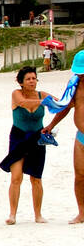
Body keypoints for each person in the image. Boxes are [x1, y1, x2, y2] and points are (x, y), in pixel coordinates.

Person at [0, 67, 50, 224]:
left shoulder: (43, 95)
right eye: (28, 79)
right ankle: (12, 214)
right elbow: (21, 102)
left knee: (36, 178)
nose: (32, 81)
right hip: (18, 137)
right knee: (16, 177)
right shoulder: (16, 94)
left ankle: (38, 215)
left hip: (37, 138)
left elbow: (60, 103)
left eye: (34, 78)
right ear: (21, 82)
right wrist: (43, 102)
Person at [40, 49, 84, 224]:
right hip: (81, 137)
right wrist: (51, 126)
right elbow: (66, 106)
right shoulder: (73, 84)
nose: (81, 76)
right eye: (79, 73)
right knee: (80, 177)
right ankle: (82, 213)